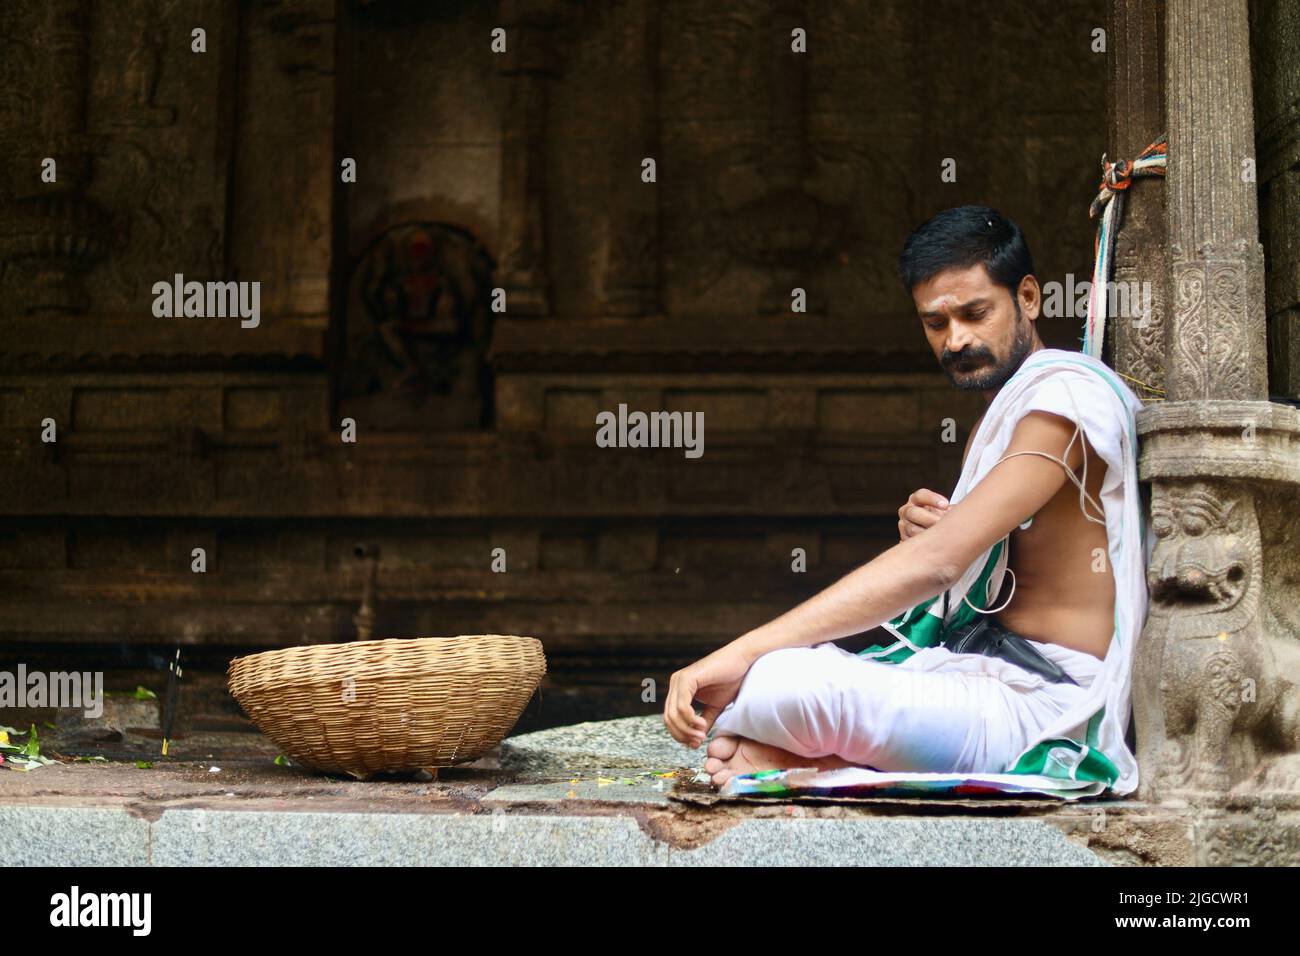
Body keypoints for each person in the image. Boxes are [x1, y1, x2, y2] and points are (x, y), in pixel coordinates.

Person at [663, 205, 1146, 791]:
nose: (957, 339)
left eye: (975, 313)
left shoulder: (1065, 397)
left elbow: (939, 564)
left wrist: (738, 651)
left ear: (1028, 297)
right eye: (935, 323)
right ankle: (837, 761)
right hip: (976, 674)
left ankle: (830, 763)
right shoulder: (1006, 411)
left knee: (775, 684)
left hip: (1049, 706)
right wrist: (942, 532)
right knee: (770, 683)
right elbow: (963, 555)